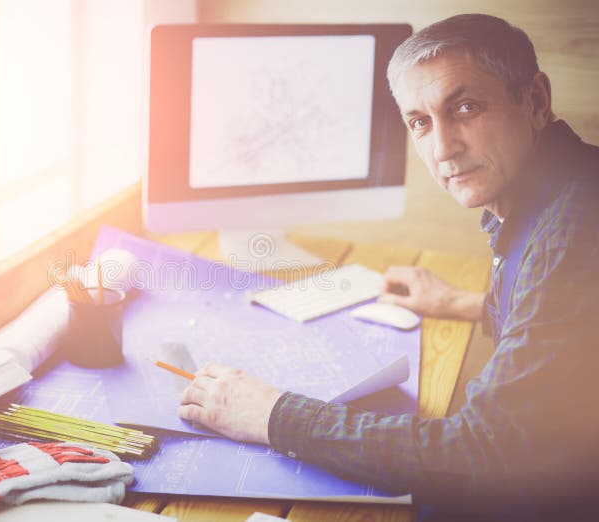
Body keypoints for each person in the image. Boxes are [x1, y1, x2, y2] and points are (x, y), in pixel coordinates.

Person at [178, 13, 599, 519]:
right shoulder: (562, 187)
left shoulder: (574, 236)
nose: (442, 148)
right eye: (420, 122)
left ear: (534, 101)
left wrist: (270, 414)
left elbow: (478, 451)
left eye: (465, 107)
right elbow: (564, 331)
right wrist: (462, 303)